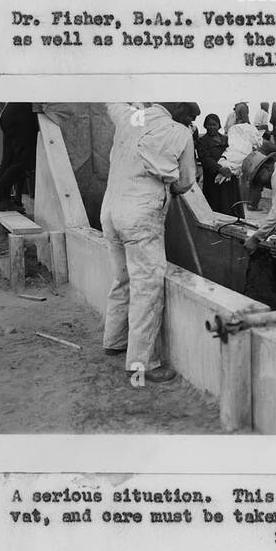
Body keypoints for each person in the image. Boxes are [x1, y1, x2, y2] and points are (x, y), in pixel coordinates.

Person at [100, 102, 197, 381]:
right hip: (141, 215)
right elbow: (186, 180)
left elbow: (111, 103)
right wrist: (170, 186)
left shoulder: (129, 117)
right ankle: (142, 363)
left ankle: (114, 341)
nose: (190, 121)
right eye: (190, 115)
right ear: (178, 110)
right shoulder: (180, 132)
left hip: (110, 211)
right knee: (147, 287)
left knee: (122, 278)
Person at [0, 103, 39, 209]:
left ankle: (4, 201)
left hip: (8, 115)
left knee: (8, 160)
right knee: (24, 160)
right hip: (21, 114)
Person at [197, 114, 244, 218]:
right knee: (216, 202)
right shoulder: (202, 141)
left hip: (229, 176)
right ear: (205, 126)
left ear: (219, 126)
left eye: (214, 124)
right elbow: (205, 158)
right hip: (213, 178)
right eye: (209, 125)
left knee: (231, 200)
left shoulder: (226, 139)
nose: (211, 127)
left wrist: (233, 167)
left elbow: (235, 152)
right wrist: (219, 169)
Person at [216, 102, 263, 178]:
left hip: (232, 159)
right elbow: (258, 143)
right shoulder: (251, 128)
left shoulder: (232, 128)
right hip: (246, 160)